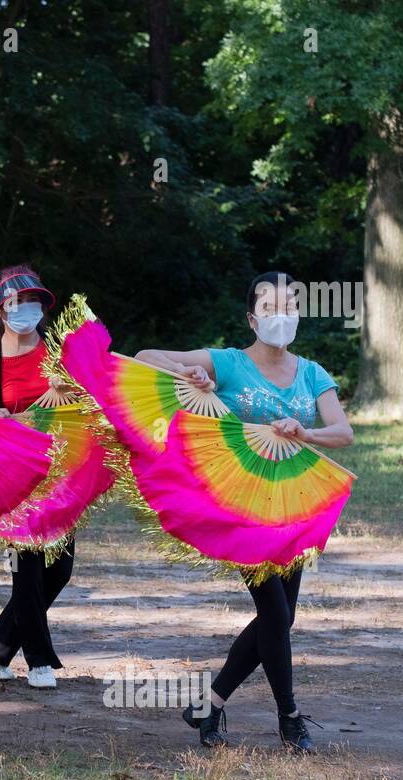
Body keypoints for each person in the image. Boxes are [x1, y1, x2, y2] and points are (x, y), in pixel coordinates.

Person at [134, 272, 354, 754]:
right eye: (271, 306)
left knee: (282, 617)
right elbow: (145, 357)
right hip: (240, 501)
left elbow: (343, 432)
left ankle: (209, 703)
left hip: (294, 502)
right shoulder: (229, 363)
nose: (283, 314)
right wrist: (187, 374)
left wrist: (307, 434)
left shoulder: (312, 372)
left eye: (291, 305)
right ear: (253, 318)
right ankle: (290, 717)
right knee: (274, 611)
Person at [0, 265, 69, 687]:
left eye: (33, 301)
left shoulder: (60, 356)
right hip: (9, 474)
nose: (25, 309)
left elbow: (89, 405)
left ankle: (1, 642)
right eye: (15, 302)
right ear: (0, 311)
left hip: (58, 473)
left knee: (60, 570)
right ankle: (39, 661)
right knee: (29, 565)